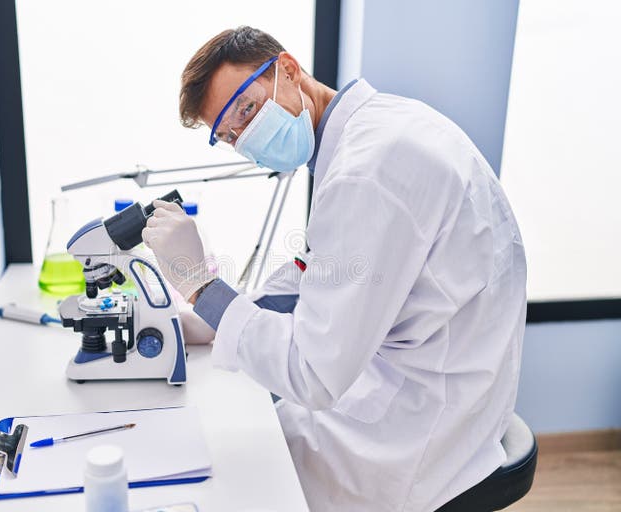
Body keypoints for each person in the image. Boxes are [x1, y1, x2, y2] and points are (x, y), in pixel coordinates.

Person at [141, 26, 527, 512]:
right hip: (449, 387)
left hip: (422, 432)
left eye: (246, 108)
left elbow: (313, 375)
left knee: (238, 472)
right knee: (240, 436)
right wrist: (215, 318)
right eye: (231, 135)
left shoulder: (367, 169)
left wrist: (201, 287)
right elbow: (318, 271)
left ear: (287, 69)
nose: (246, 137)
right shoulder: (376, 129)